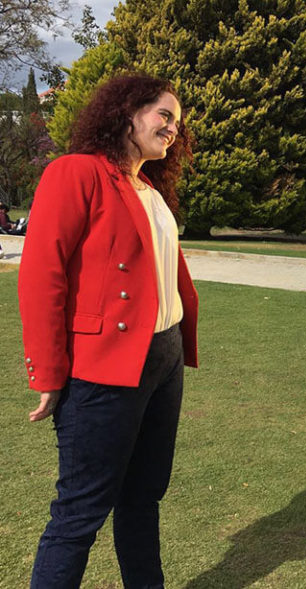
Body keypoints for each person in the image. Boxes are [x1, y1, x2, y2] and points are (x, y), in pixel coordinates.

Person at [18, 74, 199, 588]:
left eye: (176, 123)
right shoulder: (75, 172)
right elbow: (41, 274)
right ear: (127, 111)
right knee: (79, 513)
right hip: (105, 363)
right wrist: (50, 373)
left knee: (143, 496)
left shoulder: (149, 189)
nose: (171, 129)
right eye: (164, 115)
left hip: (162, 357)